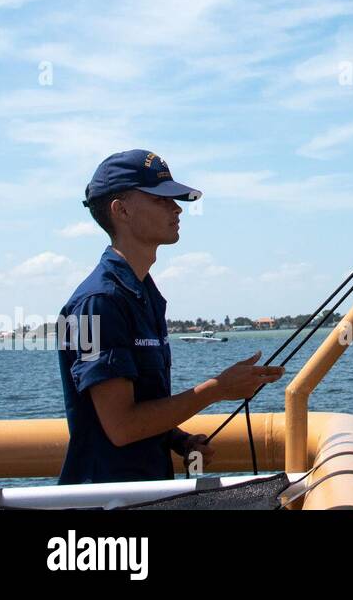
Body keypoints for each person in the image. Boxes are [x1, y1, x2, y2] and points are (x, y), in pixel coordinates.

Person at [57, 150, 285, 484]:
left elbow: (141, 406)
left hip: (144, 495)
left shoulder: (143, 293)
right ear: (121, 210)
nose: (177, 208)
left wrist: (177, 440)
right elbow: (121, 427)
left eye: (175, 200)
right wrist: (218, 389)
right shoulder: (98, 303)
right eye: (160, 200)